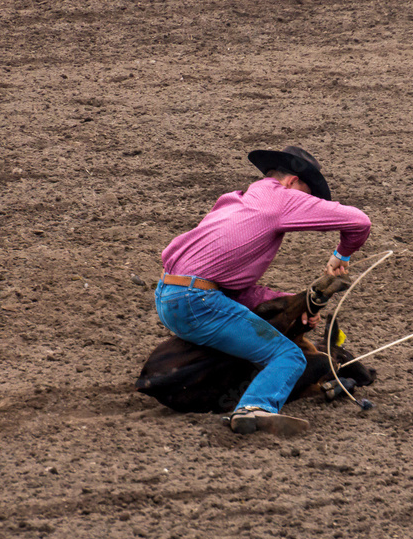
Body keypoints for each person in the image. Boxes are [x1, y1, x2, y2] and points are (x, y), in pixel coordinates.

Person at [155, 146, 371, 436]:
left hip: (169, 295)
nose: (306, 204)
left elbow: (239, 292)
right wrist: (342, 256)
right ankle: (255, 407)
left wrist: (297, 302)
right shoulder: (281, 198)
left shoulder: (234, 202)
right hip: (198, 300)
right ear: (292, 182)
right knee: (289, 356)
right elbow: (359, 222)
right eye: (307, 196)